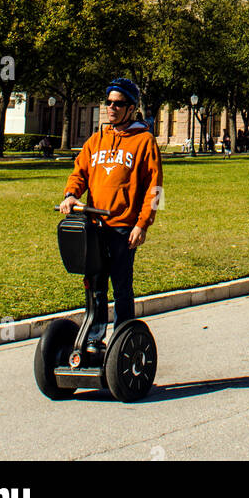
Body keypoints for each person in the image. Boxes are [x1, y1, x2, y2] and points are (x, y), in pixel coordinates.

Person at [58, 78, 162, 352]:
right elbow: (80, 172)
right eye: (109, 103)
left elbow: (156, 188)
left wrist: (143, 224)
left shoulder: (145, 141)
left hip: (123, 228)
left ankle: (123, 341)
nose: (111, 108)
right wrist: (71, 194)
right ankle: (93, 338)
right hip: (94, 226)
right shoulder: (97, 140)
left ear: (131, 108)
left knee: (122, 287)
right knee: (95, 285)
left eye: (118, 104)